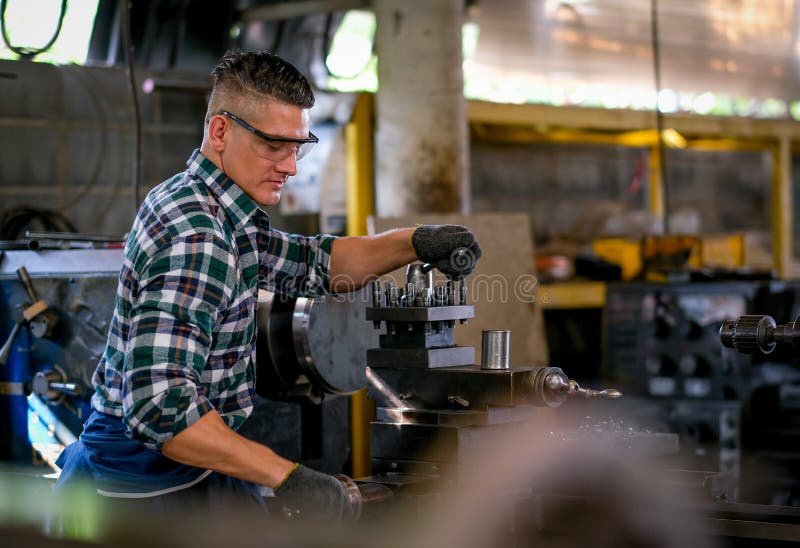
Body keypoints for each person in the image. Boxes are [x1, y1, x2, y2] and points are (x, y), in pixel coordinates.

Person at [54, 50, 481, 518]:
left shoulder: (214, 208)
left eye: (298, 146)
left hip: (188, 461)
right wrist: (286, 475)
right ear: (220, 131)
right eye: (274, 145)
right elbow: (162, 409)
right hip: (149, 483)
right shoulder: (198, 235)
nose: (291, 166)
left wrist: (416, 241)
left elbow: (314, 262)